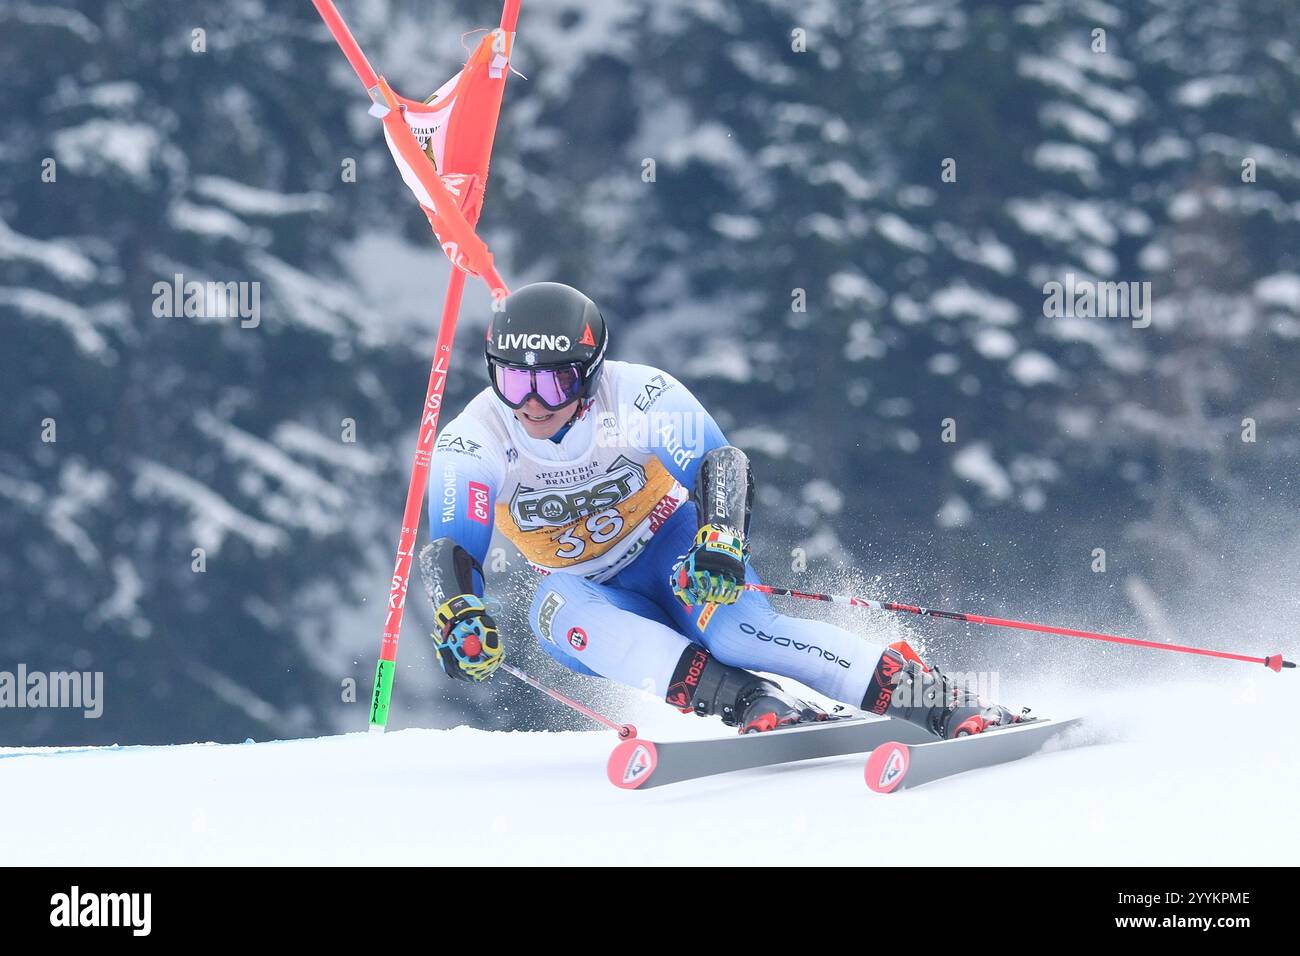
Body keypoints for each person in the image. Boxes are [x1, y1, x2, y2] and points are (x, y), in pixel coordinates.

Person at [420, 281, 1021, 737]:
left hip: (674, 550)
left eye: (551, 385)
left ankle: (935, 698)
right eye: (511, 382)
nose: (530, 404)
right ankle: (750, 702)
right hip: (586, 584)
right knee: (551, 613)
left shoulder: (638, 394)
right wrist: (458, 609)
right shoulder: (474, 437)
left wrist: (721, 541)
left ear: (590, 373)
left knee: (739, 635)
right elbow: (452, 546)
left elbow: (718, 467)